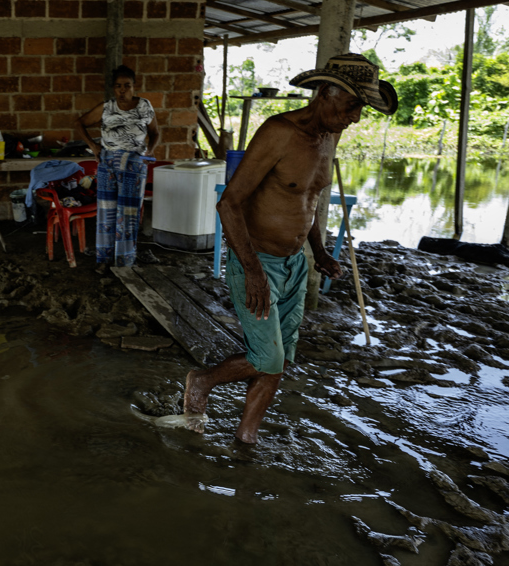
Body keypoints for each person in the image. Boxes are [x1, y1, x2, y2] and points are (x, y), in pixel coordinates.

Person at [183, 53, 398, 444]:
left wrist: (319, 251)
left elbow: (307, 202)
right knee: (267, 358)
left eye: (361, 109)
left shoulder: (330, 135)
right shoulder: (279, 132)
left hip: (295, 265)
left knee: (279, 360)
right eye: (352, 105)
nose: (356, 117)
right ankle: (203, 380)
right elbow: (229, 204)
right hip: (257, 262)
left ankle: (246, 439)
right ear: (326, 92)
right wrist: (253, 271)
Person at [74, 65, 160, 269]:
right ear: (113, 88)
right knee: (106, 212)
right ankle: (104, 260)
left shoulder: (144, 106)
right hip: (108, 163)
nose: (122, 90)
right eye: (118, 86)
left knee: (128, 213)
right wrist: (93, 145)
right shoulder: (106, 108)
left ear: (134, 86)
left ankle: (125, 262)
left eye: (127, 85)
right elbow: (79, 123)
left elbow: (155, 132)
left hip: (134, 164)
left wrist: (150, 151)